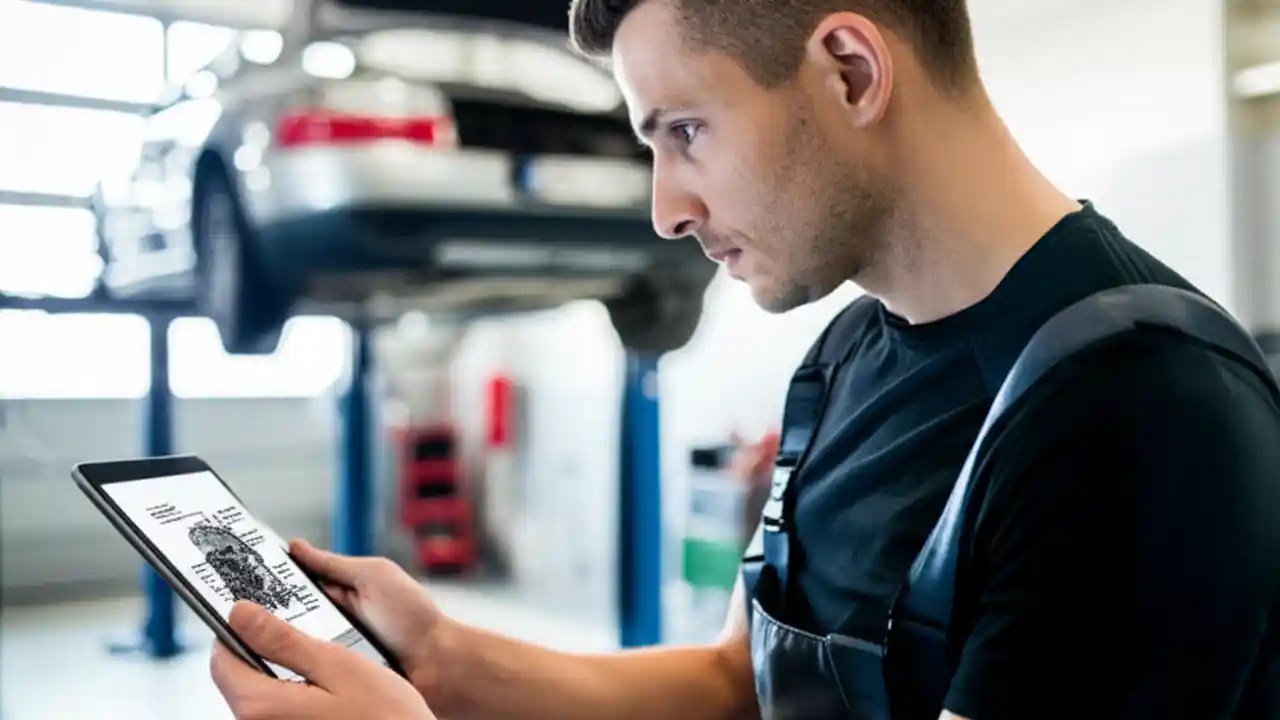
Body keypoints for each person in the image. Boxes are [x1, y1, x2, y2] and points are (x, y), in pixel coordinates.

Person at [210, 0, 1280, 718]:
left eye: (683, 131)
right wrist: (446, 660)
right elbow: (736, 684)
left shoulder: (1141, 409)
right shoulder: (847, 356)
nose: (664, 210)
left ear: (848, 71)